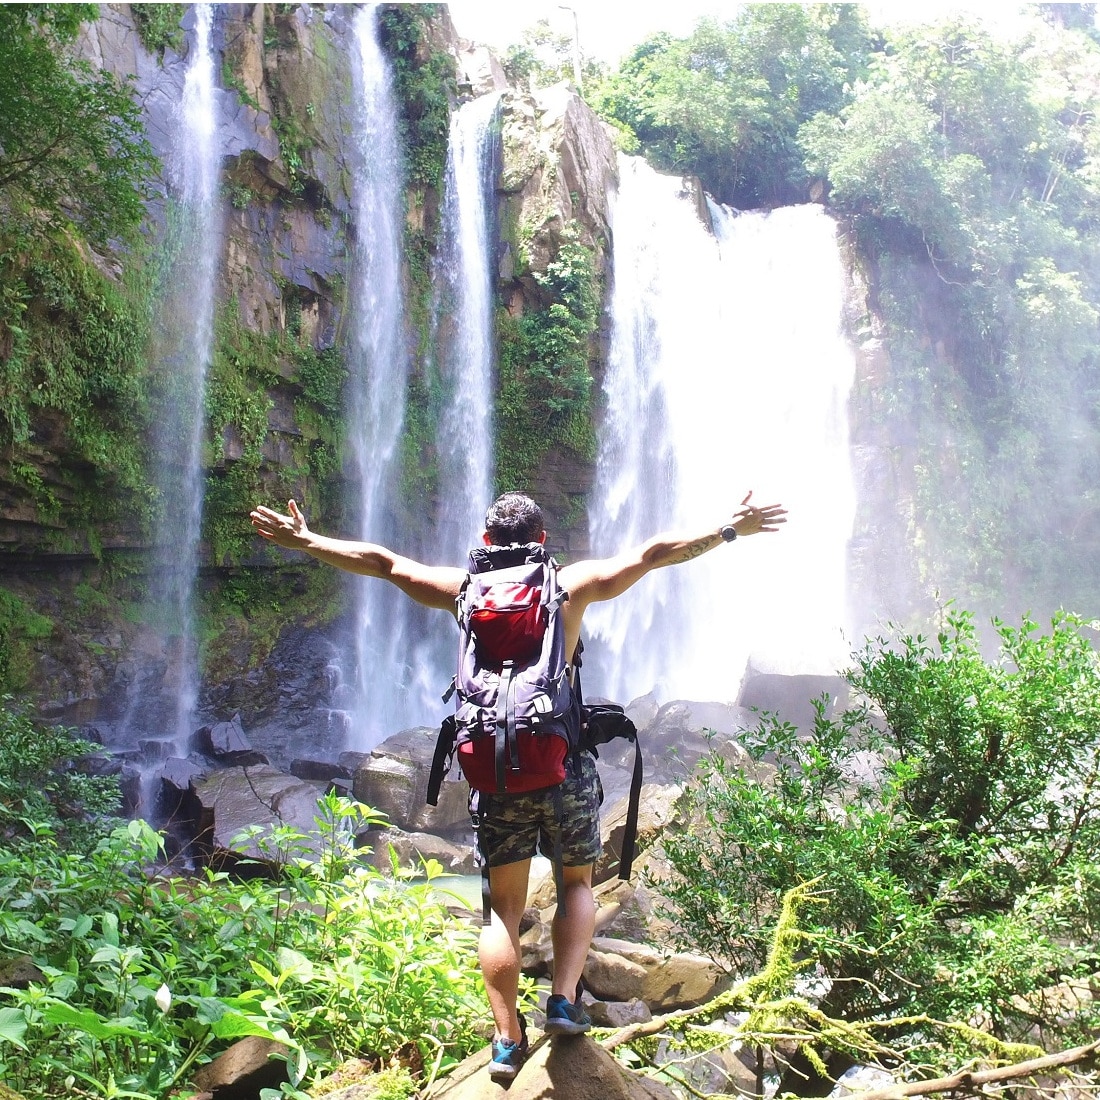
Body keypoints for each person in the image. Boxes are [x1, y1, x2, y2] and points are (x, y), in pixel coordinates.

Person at [250, 490, 786, 1078]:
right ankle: (563, 1001)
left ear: (484, 543)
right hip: (561, 764)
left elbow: (383, 562)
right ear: (542, 541)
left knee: (502, 911)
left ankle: (508, 1039)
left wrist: (304, 541)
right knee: (577, 884)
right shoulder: (568, 586)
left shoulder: (461, 592)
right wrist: (727, 529)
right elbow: (653, 553)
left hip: (495, 771)